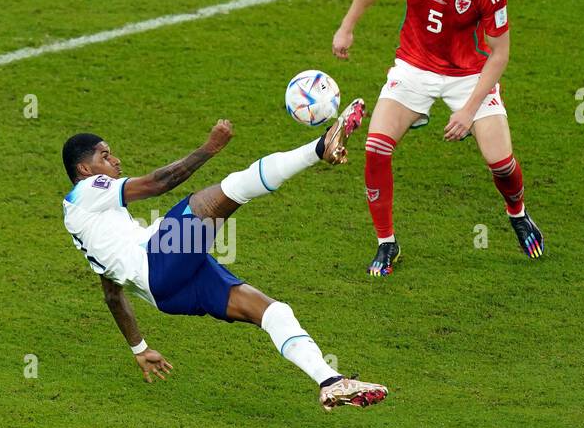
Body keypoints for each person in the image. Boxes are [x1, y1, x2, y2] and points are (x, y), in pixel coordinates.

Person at [61, 102, 388, 410]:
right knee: (233, 189)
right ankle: (321, 147)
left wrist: (139, 348)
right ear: (85, 168)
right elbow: (159, 183)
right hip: (160, 261)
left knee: (273, 312)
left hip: (167, 293)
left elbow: (112, 296)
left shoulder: (87, 224)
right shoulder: (88, 190)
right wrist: (210, 148)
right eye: (105, 156)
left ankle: (330, 381)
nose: (115, 161)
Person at [332, 0, 544, 275]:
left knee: (501, 163)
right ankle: (387, 244)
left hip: (470, 75)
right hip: (414, 69)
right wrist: (346, 27)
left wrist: (466, 112)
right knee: (375, 148)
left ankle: (518, 213)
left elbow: (500, 54)